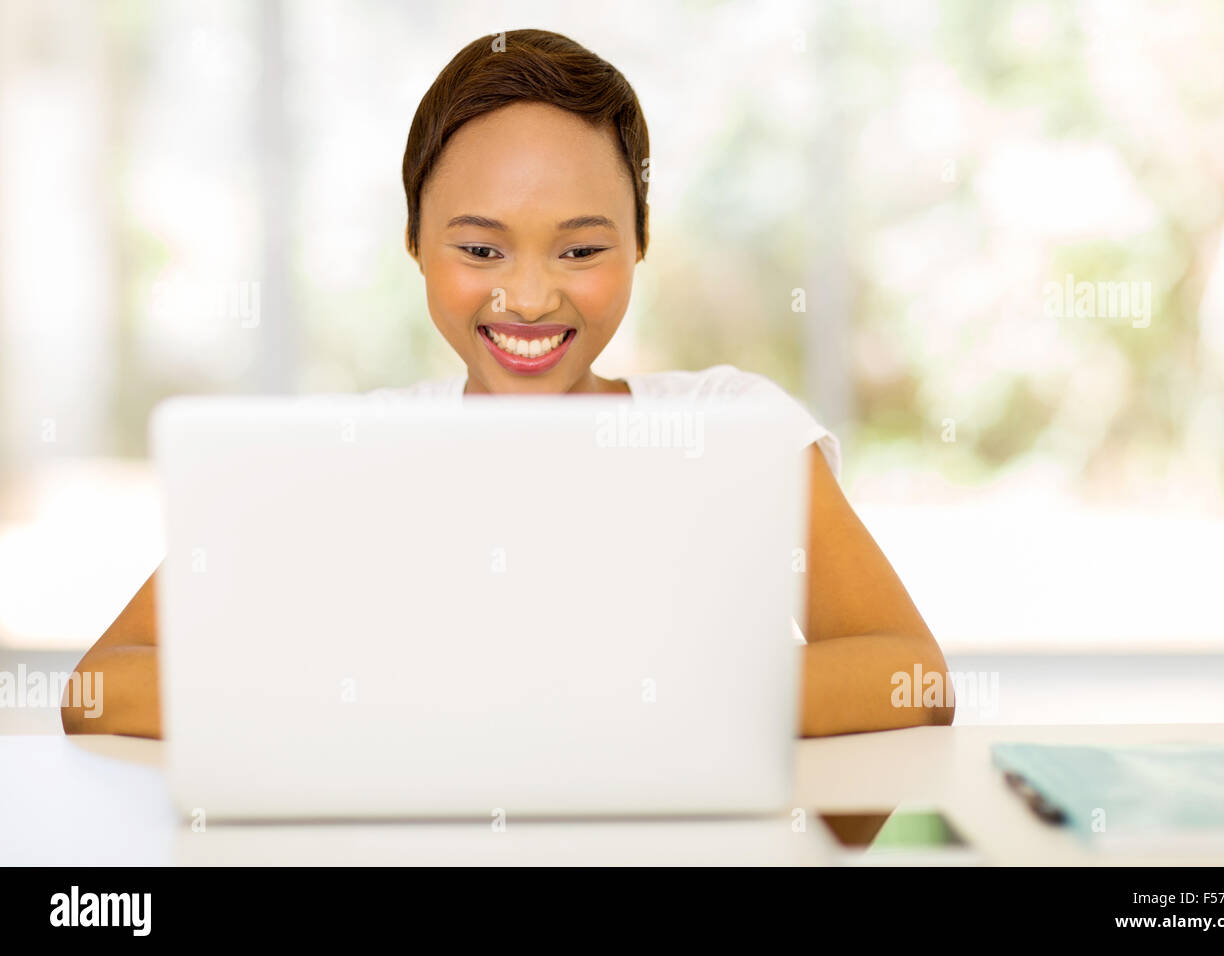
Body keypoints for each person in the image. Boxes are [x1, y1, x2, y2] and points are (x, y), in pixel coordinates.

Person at [63, 28, 952, 740]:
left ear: (640, 241)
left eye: (581, 249)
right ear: (413, 241)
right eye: (480, 248)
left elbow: (910, 677)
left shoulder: (735, 432)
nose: (527, 296)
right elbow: (101, 688)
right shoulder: (350, 458)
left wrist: (599, 702)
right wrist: (390, 701)